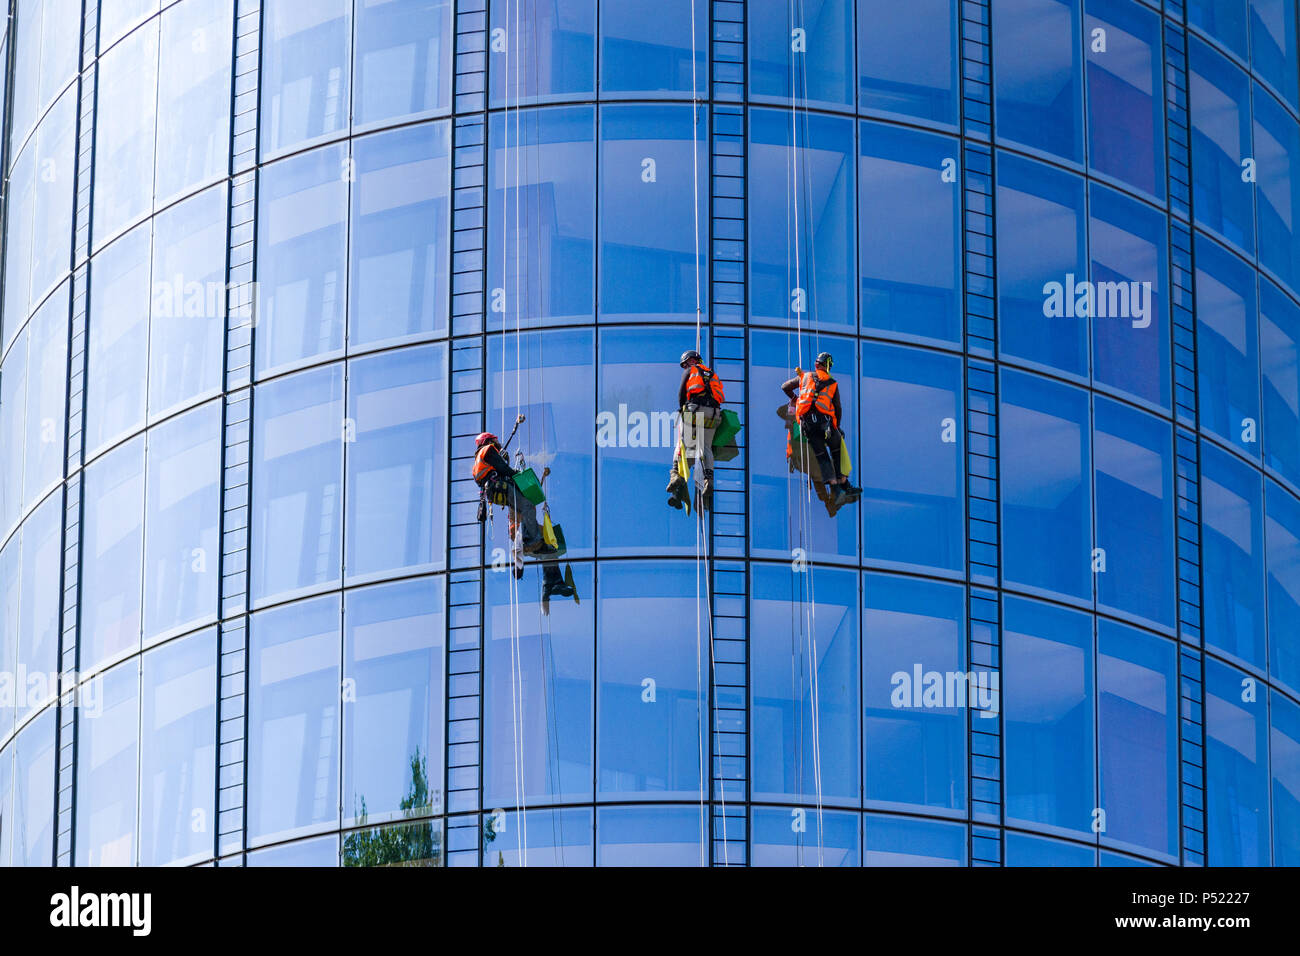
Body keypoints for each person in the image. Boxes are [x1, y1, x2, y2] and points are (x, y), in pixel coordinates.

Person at [473, 431, 575, 599]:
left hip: (495, 489)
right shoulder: (487, 450)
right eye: (496, 442)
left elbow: (497, 470)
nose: (498, 445)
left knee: (548, 546)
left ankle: (552, 583)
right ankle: (532, 541)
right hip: (498, 487)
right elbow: (503, 468)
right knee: (527, 506)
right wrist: (520, 477)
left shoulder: (481, 459)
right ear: (489, 441)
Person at [782, 352, 860, 505]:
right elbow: (837, 408)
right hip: (825, 424)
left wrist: (795, 398)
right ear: (828, 365)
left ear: (817, 364)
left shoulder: (804, 377)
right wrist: (838, 427)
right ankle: (843, 483)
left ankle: (835, 490)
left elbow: (784, 386)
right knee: (836, 448)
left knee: (822, 455)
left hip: (807, 425)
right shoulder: (832, 383)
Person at [666, 350, 724, 510]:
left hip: (695, 410)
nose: (685, 366)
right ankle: (708, 480)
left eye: (685, 363)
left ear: (691, 361)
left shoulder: (690, 371)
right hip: (713, 414)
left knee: (682, 444)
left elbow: (681, 393)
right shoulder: (712, 374)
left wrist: (681, 409)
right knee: (705, 447)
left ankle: (675, 474)